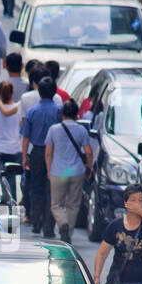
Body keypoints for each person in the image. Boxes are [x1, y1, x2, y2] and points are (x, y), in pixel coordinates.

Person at [45, 99, 93, 243]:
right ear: (76, 114)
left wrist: (48, 170)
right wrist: (88, 167)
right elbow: (89, 152)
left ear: (62, 114)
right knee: (73, 204)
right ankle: (68, 234)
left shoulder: (54, 129)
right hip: (76, 171)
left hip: (58, 171)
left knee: (56, 204)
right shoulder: (82, 130)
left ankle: (63, 224)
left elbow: (48, 153)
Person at [21, 75, 59, 237]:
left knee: (35, 188)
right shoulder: (59, 111)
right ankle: (48, 225)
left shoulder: (32, 112)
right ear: (54, 92)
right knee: (51, 189)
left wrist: (24, 156)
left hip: (36, 152)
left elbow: (25, 137)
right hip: (54, 153)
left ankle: (36, 221)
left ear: (39, 92)